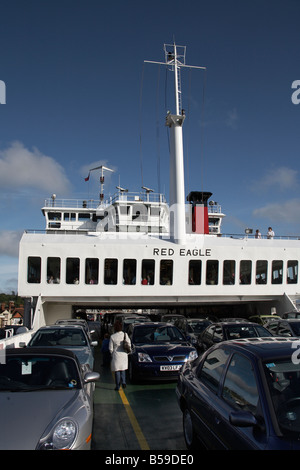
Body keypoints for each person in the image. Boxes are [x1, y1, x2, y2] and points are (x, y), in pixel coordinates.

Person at [109, 320, 129, 390]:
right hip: (124, 354)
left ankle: (117, 386)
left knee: (117, 371)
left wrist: (112, 354)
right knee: (123, 369)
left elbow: (110, 348)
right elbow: (128, 344)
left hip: (116, 355)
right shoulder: (125, 335)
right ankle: (124, 382)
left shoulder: (112, 336)